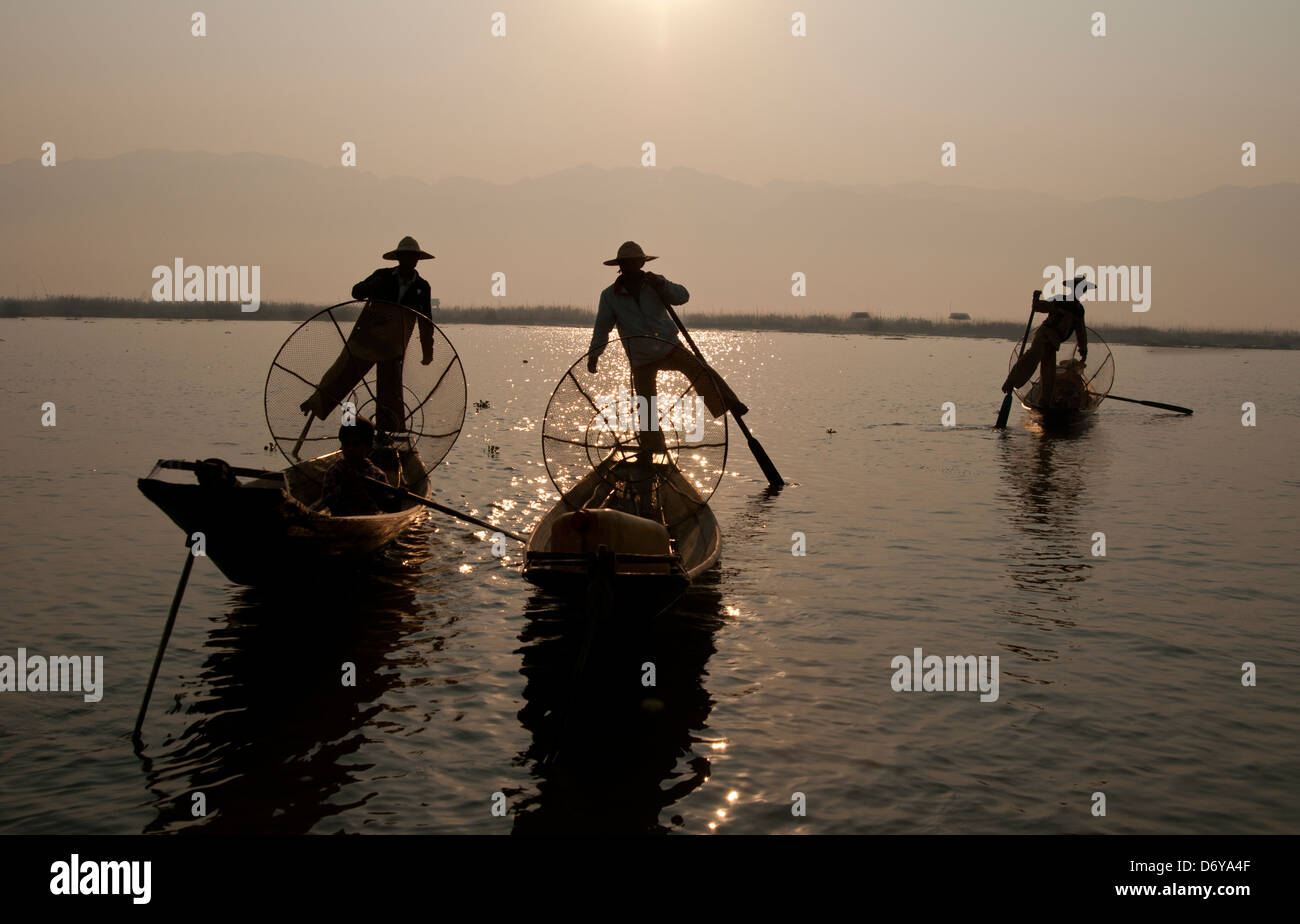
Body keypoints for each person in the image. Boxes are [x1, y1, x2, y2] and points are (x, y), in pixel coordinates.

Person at [586, 241, 746, 452]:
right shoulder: (610, 296)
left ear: (642, 263)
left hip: (668, 346)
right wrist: (594, 355)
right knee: (646, 409)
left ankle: (727, 402)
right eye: (627, 264)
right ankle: (653, 448)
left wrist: (662, 284)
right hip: (641, 358)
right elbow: (602, 328)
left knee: (700, 369)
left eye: (636, 263)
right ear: (621, 266)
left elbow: (683, 296)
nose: (631, 268)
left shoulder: (654, 284)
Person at [300, 236, 436, 432]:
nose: (409, 260)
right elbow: (357, 292)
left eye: (412, 257)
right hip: (367, 338)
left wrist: (427, 351)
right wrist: (370, 288)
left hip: (394, 345)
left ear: (417, 260)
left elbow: (426, 321)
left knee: (390, 392)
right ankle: (317, 403)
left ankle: (390, 433)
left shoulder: (422, 287)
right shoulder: (382, 275)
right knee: (343, 373)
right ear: (398, 258)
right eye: (405, 256)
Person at [1002, 275, 1091, 406]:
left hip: (1054, 343)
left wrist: (1083, 349)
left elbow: (1081, 331)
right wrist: (1036, 299)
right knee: (1033, 356)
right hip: (1044, 335)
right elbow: (1039, 307)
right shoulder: (1060, 299)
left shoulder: (1078, 310)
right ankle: (1011, 382)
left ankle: (1045, 402)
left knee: (1049, 373)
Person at [319, 416, 400, 516]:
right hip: (341, 518)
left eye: (356, 444)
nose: (350, 449)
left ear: (368, 446)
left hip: (370, 520)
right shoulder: (335, 472)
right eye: (346, 444)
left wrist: (399, 498)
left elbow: (387, 506)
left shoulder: (377, 475)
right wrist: (345, 487)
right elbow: (328, 502)